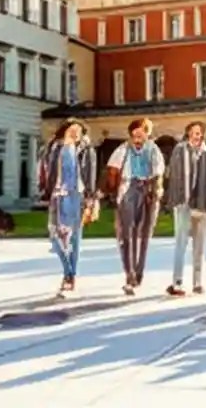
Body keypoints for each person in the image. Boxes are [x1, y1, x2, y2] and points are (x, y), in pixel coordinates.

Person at [37, 118, 98, 297]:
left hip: (77, 196)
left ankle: (69, 277)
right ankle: (68, 270)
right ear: (64, 131)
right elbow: (45, 171)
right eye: (72, 130)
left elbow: (91, 176)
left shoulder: (87, 151)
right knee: (55, 236)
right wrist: (44, 191)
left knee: (74, 238)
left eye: (79, 131)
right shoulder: (54, 148)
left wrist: (90, 200)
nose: (75, 133)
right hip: (57, 196)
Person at [106, 118, 166, 296]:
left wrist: (157, 189)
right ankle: (129, 275)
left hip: (148, 189)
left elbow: (159, 172)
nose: (138, 138)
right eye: (135, 134)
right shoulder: (123, 149)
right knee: (127, 234)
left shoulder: (154, 150)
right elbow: (111, 170)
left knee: (145, 234)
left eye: (141, 134)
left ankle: (139, 272)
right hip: (128, 189)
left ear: (147, 133)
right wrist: (110, 192)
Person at [164, 121, 206, 296]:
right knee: (180, 244)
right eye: (194, 132)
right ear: (188, 133)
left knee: (200, 246)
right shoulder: (180, 151)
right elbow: (172, 175)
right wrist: (173, 198)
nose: (197, 136)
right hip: (184, 203)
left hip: (203, 204)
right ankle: (177, 282)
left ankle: (198, 282)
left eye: (200, 133)